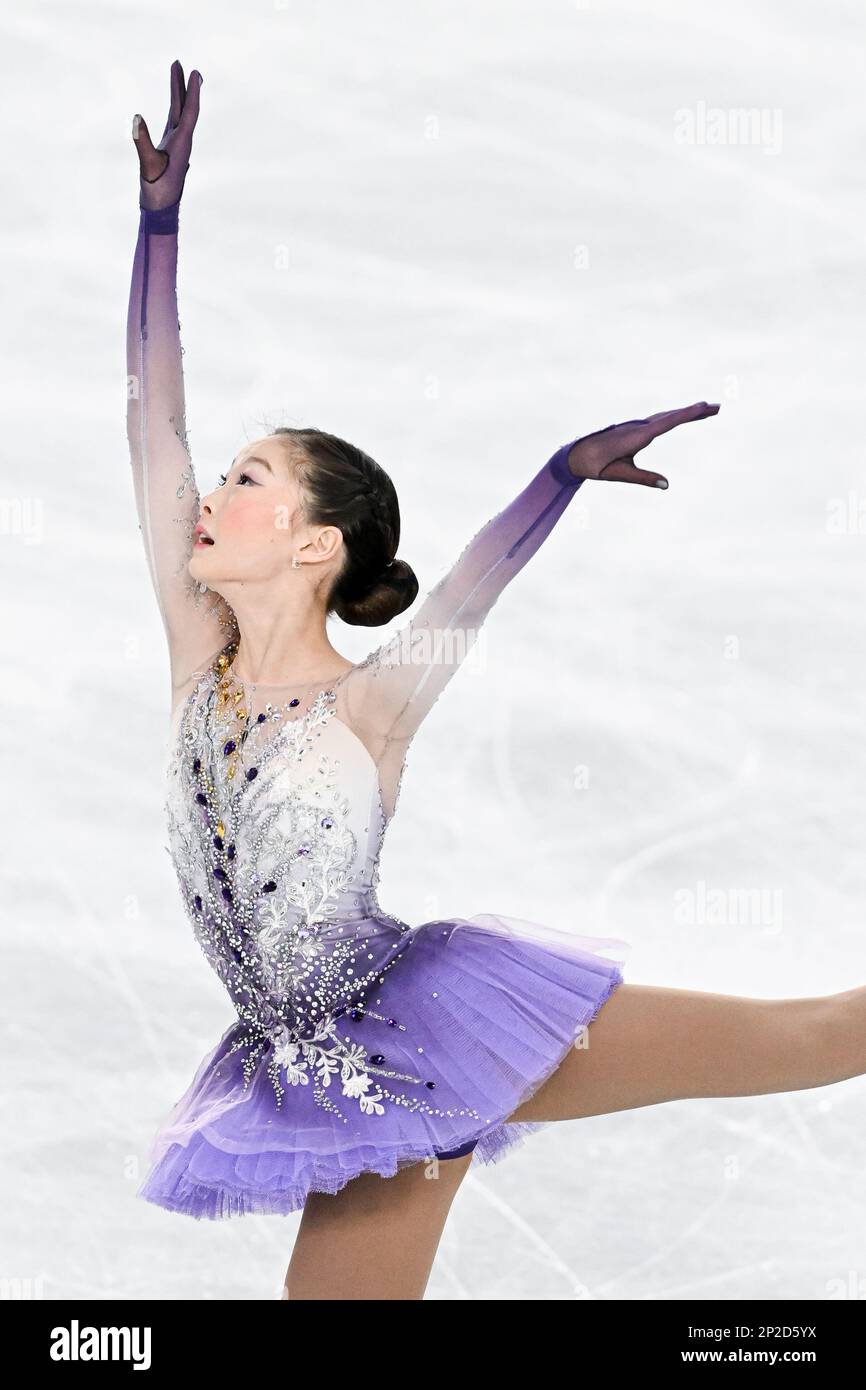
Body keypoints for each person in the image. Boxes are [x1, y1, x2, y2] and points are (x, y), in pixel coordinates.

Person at [127, 62, 865, 1302]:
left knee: (824, 1032)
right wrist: (158, 228)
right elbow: (150, 426)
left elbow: (477, 581)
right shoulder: (193, 654)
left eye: (250, 477)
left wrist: (560, 472)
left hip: (434, 1021)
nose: (212, 491)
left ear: (319, 544)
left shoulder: (368, 703)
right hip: (320, 1074)